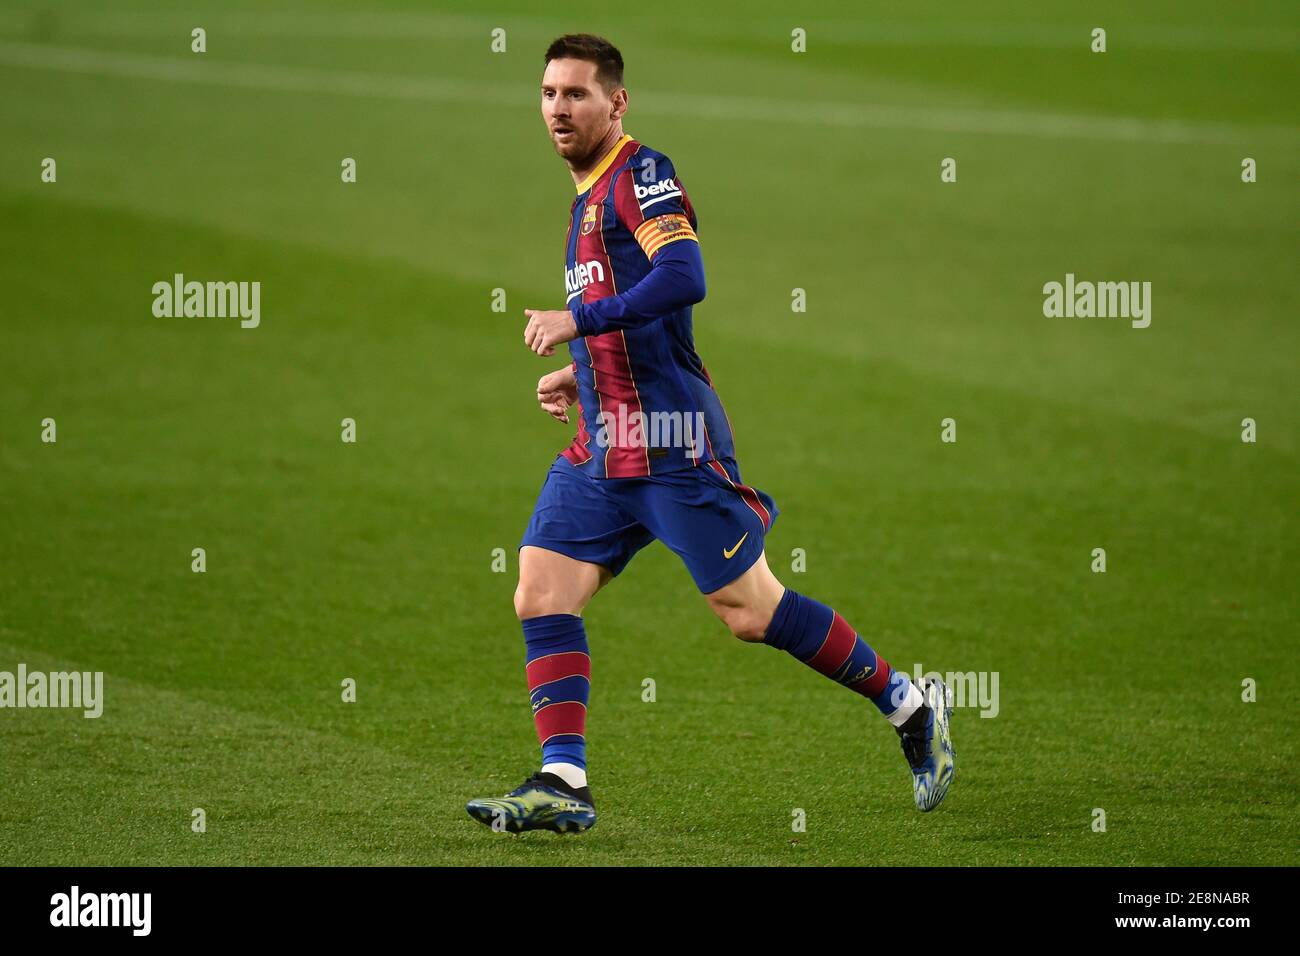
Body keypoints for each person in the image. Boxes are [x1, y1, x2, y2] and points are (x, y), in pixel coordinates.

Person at [466, 34, 954, 835]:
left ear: (616, 103)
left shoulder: (640, 174)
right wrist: (581, 370)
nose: (559, 108)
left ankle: (908, 705)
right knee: (540, 589)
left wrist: (575, 321)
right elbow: (637, 310)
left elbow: (685, 278)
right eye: (549, 93)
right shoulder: (585, 193)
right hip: (606, 439)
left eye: (577, 94)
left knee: (751, 613)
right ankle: (563, 781)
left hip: (670, 441)